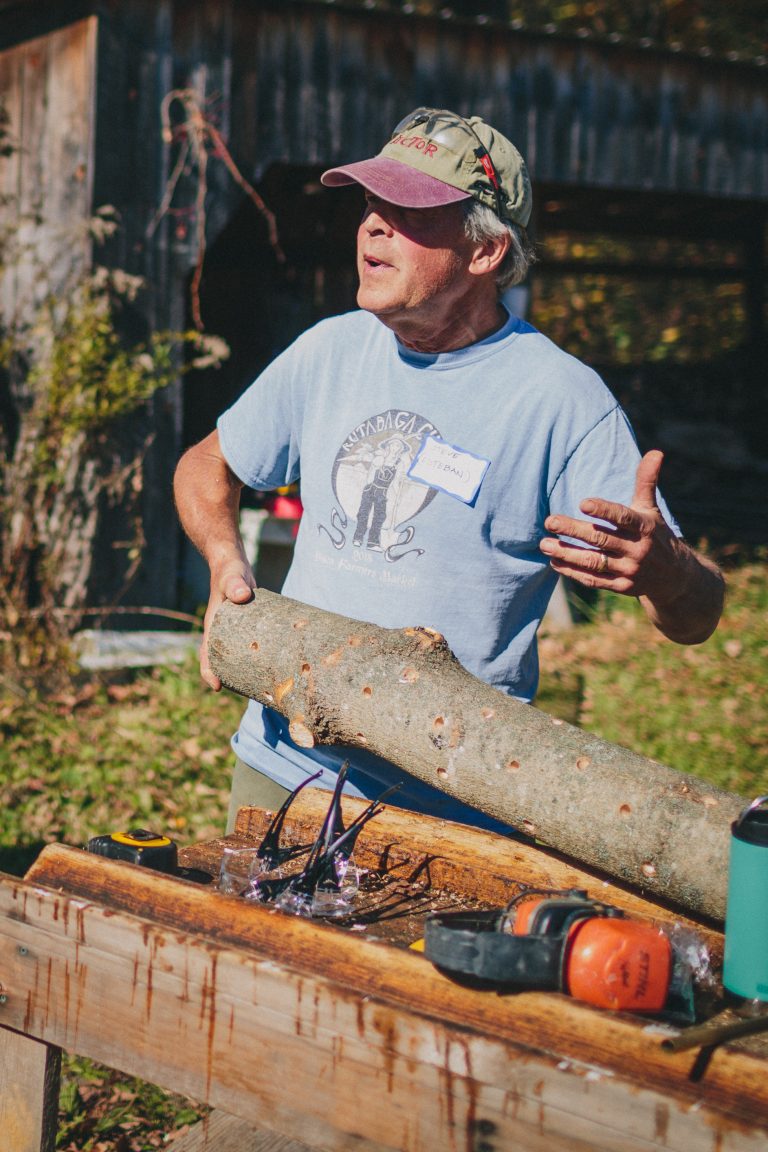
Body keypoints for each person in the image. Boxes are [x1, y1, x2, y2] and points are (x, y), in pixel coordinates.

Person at [173, 106, 724, 834]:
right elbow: (205, 465)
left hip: (447, 800)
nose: (372, 225)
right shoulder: (331, 350)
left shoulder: (559, 399)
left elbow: (698, 617)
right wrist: (223, 563)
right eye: (373, 203)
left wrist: (662, 568)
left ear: (485, 251)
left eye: (407, 210)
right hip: (281, 765)